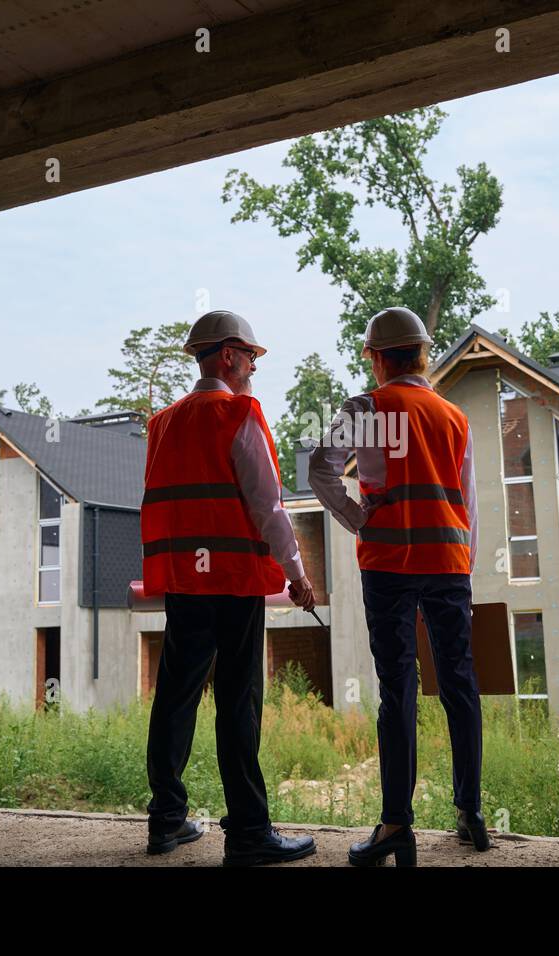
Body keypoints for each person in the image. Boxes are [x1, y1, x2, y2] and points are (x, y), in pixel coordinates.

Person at [308, 306, 488, 868]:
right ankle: (471, 814)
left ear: (376, 356)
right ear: (423, 353)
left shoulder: (366, 409)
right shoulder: (454, 416)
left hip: (387, 562)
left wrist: (360, 516)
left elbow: (319, 470)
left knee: (397, 687)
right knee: (459, 679)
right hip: (448, 562)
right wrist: (465, 566)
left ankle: (396, 825)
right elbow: (469, 503)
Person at [141, 309, 317, 866]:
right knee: (238, 701)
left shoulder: (163, 423)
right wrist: (297, 573)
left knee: (175, 694)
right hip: (235, 581)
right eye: (251, 358)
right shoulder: (238, 414)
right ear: (229, 356)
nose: (253, 370)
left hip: (185, 584)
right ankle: (247, 833)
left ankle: (166, 820)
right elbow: (267, 505)